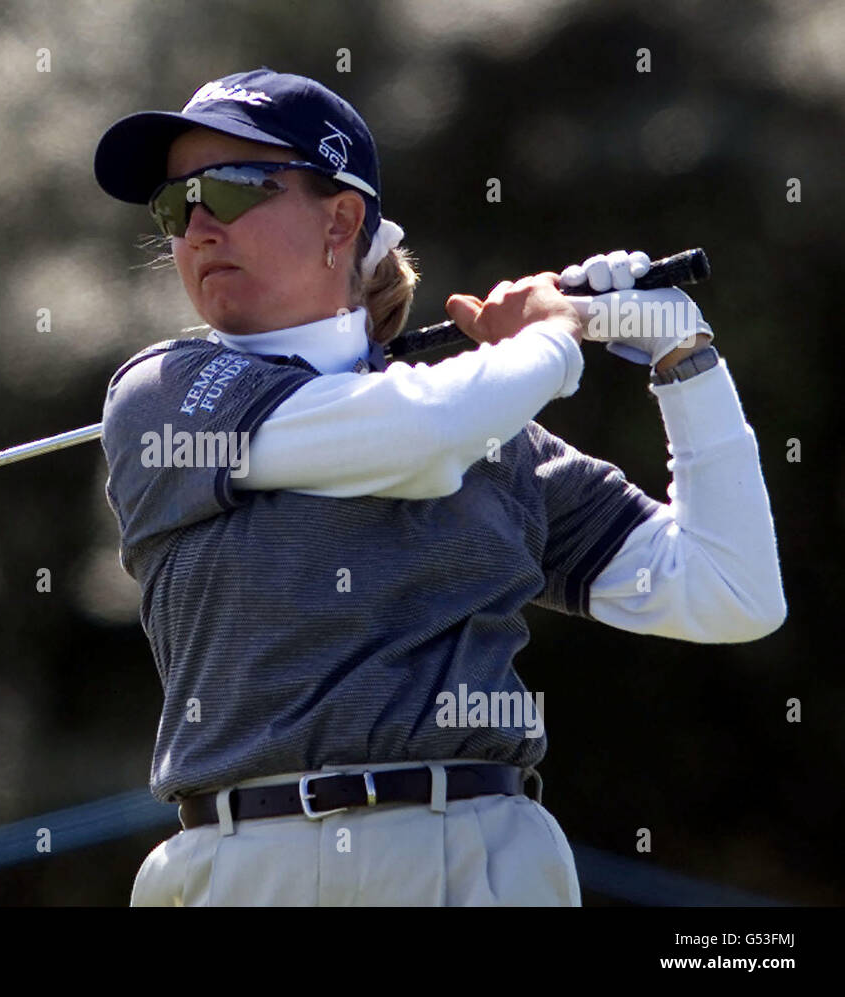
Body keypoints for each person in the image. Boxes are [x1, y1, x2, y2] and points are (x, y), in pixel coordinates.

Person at [92, 68, 785, 906]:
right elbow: (410, 438)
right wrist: (551, 342)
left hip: (484, 864)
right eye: (175, 204)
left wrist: (688, 364)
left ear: (340, 219)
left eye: (232, 190)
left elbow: (730, 590)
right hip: (248, 866)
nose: (196, 227)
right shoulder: (163, 394)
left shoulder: (492, 434)